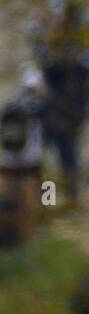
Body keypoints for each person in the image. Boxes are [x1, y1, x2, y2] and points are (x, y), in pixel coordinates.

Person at [34, 0, 89, 205]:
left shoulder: (76, 44)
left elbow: (61, 66)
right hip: (50, 108)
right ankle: (43, 199)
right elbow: (43, 63)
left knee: (67, 154)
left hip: (68, 109)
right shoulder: (48, 40)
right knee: (40, 155)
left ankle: (71, 198)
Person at [0, 68, 46, 242]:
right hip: (32, 160)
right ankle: (40, 220)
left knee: (9, 194)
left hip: (8, 159)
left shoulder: (10, 106)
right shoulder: (39, 108)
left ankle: (10, 226)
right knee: (46, 186)